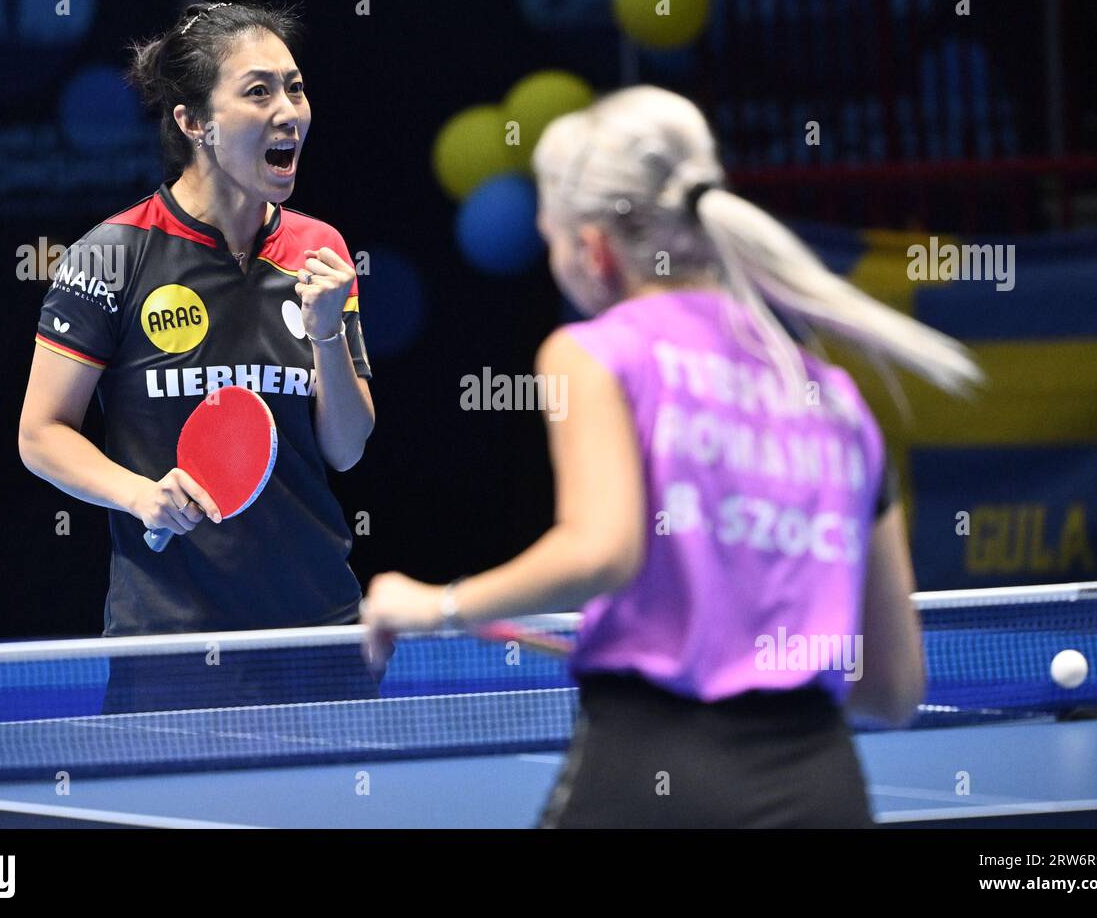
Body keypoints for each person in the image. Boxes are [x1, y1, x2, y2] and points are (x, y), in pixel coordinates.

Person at [359, 85, 983, 827]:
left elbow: (603, 550)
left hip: (653, 779)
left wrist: (438, 605)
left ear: (593, 250)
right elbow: (893, 687)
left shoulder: (598, 353)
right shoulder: (836, 398)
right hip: (823, 791)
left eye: (553, 241)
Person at [18, 1, 375, 706]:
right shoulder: (113, 256)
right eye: (258, 92)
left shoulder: (320, 250)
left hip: (319, 631)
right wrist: (138, 495)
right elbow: (40, 433)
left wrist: (328, 332)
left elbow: (347, 448)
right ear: (193, 122)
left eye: (295, 88)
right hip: (172, 644)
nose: (289, 112)